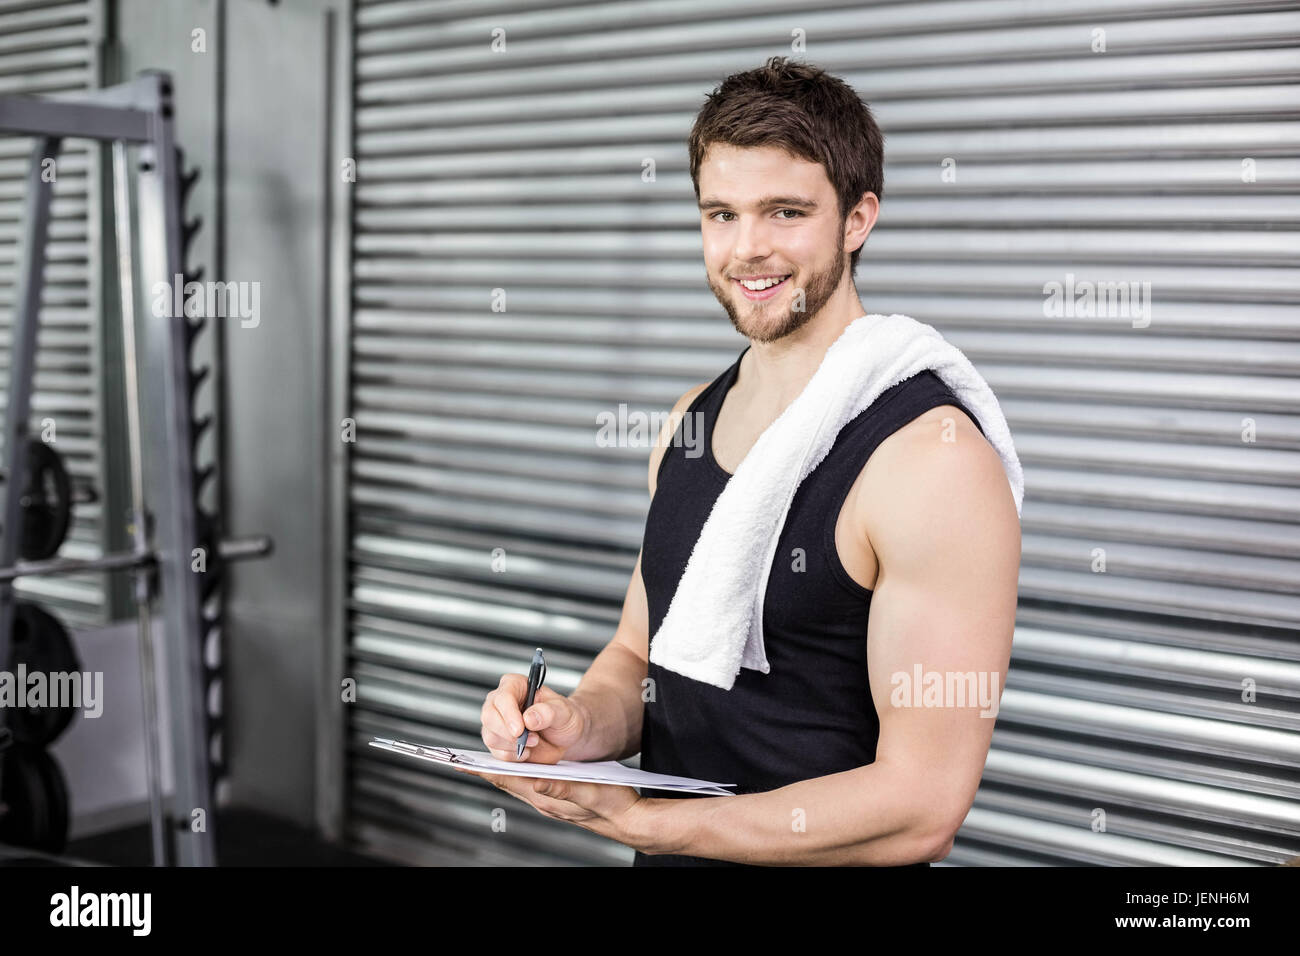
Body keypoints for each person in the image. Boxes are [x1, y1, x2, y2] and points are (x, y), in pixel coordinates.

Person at [473, 56, 1021, 866]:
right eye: (721, 214)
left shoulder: (928, 462)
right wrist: (577, 724)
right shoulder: (689, 423)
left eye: (785, 212)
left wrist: (653, 823)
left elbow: (922, 805)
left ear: (858, 218)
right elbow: (639, 653)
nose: (747, 249)